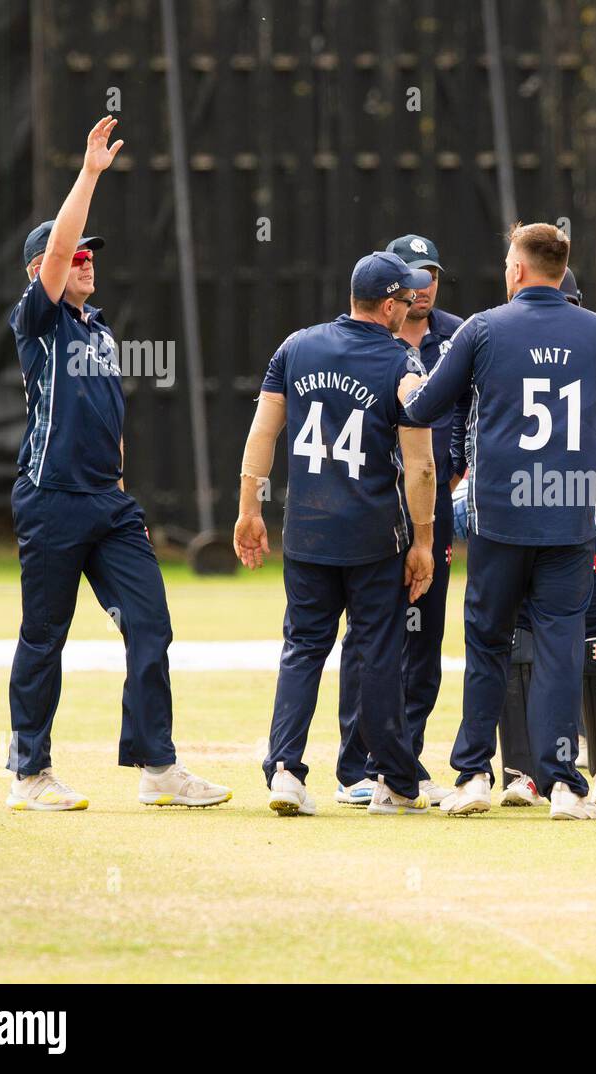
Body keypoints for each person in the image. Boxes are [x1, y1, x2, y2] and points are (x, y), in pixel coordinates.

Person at [6, 115, 230, 811]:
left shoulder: (98, 329)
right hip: (50, 497)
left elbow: (109, 414)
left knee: (150, 622)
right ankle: (29, 775)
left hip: (107, 503)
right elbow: (59, 249)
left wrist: (122, 474)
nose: (85, 260)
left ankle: (157, 767)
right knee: (45, 636)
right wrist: (90, 174)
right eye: (73, 257)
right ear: (43, 270)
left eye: (89, 255)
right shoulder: (37, 322)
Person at [399, 223, 596, 820]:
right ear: (561, 271)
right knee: (562, 645)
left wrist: (409, 383)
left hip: (499, 518)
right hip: (570, 518)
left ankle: (473, 775)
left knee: (487, 642)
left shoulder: (483, 328)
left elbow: (426, 408)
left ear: (518, 269)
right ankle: (563, 783)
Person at [234, 251, 437, 817]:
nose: (411, 305)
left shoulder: (296, 346)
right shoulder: (403, 362)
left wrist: (250, 505)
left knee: (302, 649)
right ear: (392, 304)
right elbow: (420, 466)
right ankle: (395, 781)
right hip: (375, 535)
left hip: (306, 531)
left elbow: (262, 431)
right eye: (407, 298)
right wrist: (423, 540)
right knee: (375, 654)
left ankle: (285, 771)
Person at [496, 268, 596, 809]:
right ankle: (525, 769)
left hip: (577, 512)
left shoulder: (593, 341)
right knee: (521, 640)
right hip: (528, 510)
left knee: (593, 637)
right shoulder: (526, 340)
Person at [335, 234, 463, 808]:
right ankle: (356, 766)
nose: (425, 283)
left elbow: (477, 412)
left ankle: (401, 761)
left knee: (424, 638)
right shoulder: (358, 341)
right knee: (368, 640)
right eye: (414, 273)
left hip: (437, 505)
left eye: (431, 272)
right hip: (373, 512)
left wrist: (456, 475)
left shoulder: (461, 336)